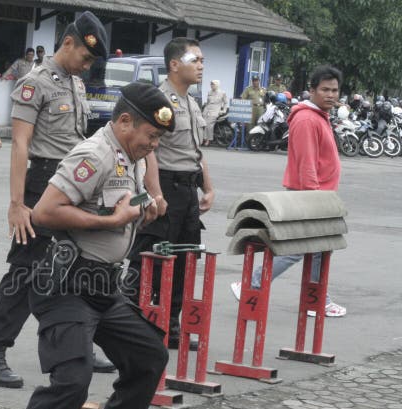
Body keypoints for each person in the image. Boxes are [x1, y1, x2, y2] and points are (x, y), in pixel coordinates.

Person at [0, 82, 175, 409]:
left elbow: (128, 199)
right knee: (73, 381)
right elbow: (45, 212)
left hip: (103, 288)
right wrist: (111, 219)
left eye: (158, 139)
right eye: (150, 134)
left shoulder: (131, 154)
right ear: (125, 121)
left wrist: (144, 206)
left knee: (149, 355)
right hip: (65, 284)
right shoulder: (95, 155)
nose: (154, 144)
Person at [0, 11, 113, 389]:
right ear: (68, 43)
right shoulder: (34, 83)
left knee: (81, 270)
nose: (87, 67)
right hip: (41, 186)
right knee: (26, 271)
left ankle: (80, 344)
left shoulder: (76, 84)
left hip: (74, 187)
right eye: (85, 58)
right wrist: (17, 204)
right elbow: (20, 143)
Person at [231, 66, 347, 318]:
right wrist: (315, 199)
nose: (330, 94)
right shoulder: (307, 119)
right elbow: (307, 163)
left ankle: (317, 301)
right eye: (324, 89)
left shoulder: (319, 116)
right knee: (297, 249)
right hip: (308, 196)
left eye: (334, 90)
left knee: (318, 250)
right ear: (313, 91)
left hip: (318, 195)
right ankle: (250, 284)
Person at [125, 37, 215, 350]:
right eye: (196, 60)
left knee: (183, 259)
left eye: (203, 60)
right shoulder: (159, 100)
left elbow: (195, 150)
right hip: (164, 186)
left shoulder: (191, 102)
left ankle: (170, 324)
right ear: (175, 64)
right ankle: (129, 323)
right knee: (148, 258)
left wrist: (208, 186)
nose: (202, 66)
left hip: (187, 190)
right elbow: (150, 150)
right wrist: (155, 193)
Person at [202, 79, 227, 146]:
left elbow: (225, 103)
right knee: (203, 123)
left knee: (209, 125)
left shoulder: (222, 93)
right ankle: (203, 138)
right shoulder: (209, 92)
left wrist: (223, 110)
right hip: (207, 109)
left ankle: (208, 139)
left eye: (213, 84)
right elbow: (207, 102)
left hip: (216, 110)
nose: (211, 86)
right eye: (211, 84)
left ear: (217, 85)